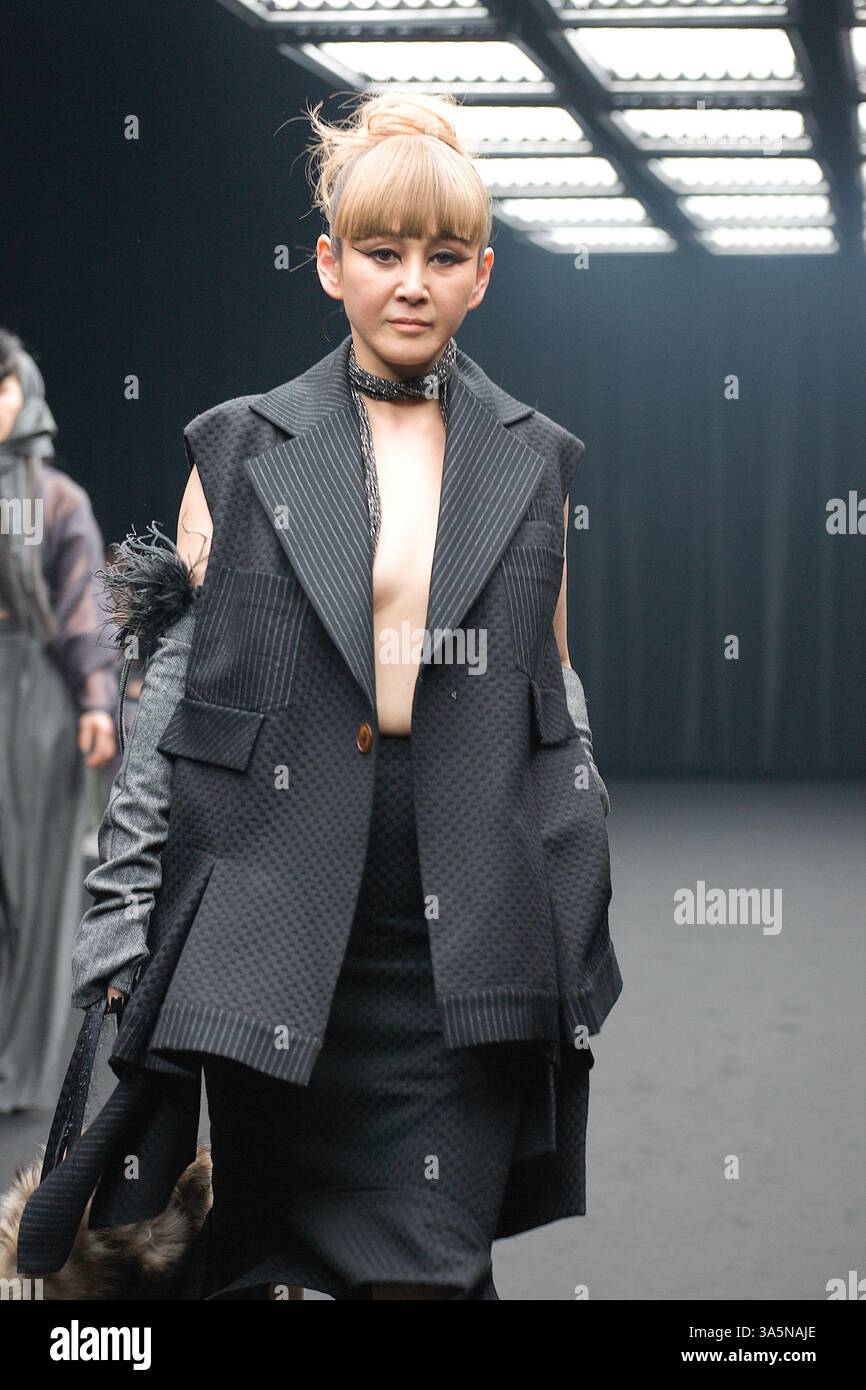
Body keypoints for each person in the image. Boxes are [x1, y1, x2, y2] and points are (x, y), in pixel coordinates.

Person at [18, 91, 620, 1299]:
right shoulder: (237, 450)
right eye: (383, 254)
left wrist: (573, 905)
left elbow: (554, 709)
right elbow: (181, 714)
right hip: (274, 938)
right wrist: (122, 931)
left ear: (481, 277)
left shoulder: (535, 459)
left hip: (464, 941)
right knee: (267, 1252)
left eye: (442, 257)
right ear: (328, 265)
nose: (411, 282)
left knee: (426, 1263)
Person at [0, 330, 118, 1113]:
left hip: (33, 699)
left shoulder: (52, 500)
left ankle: (24, 1067)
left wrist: (97, 702)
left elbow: (83, 611)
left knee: (35, 885)